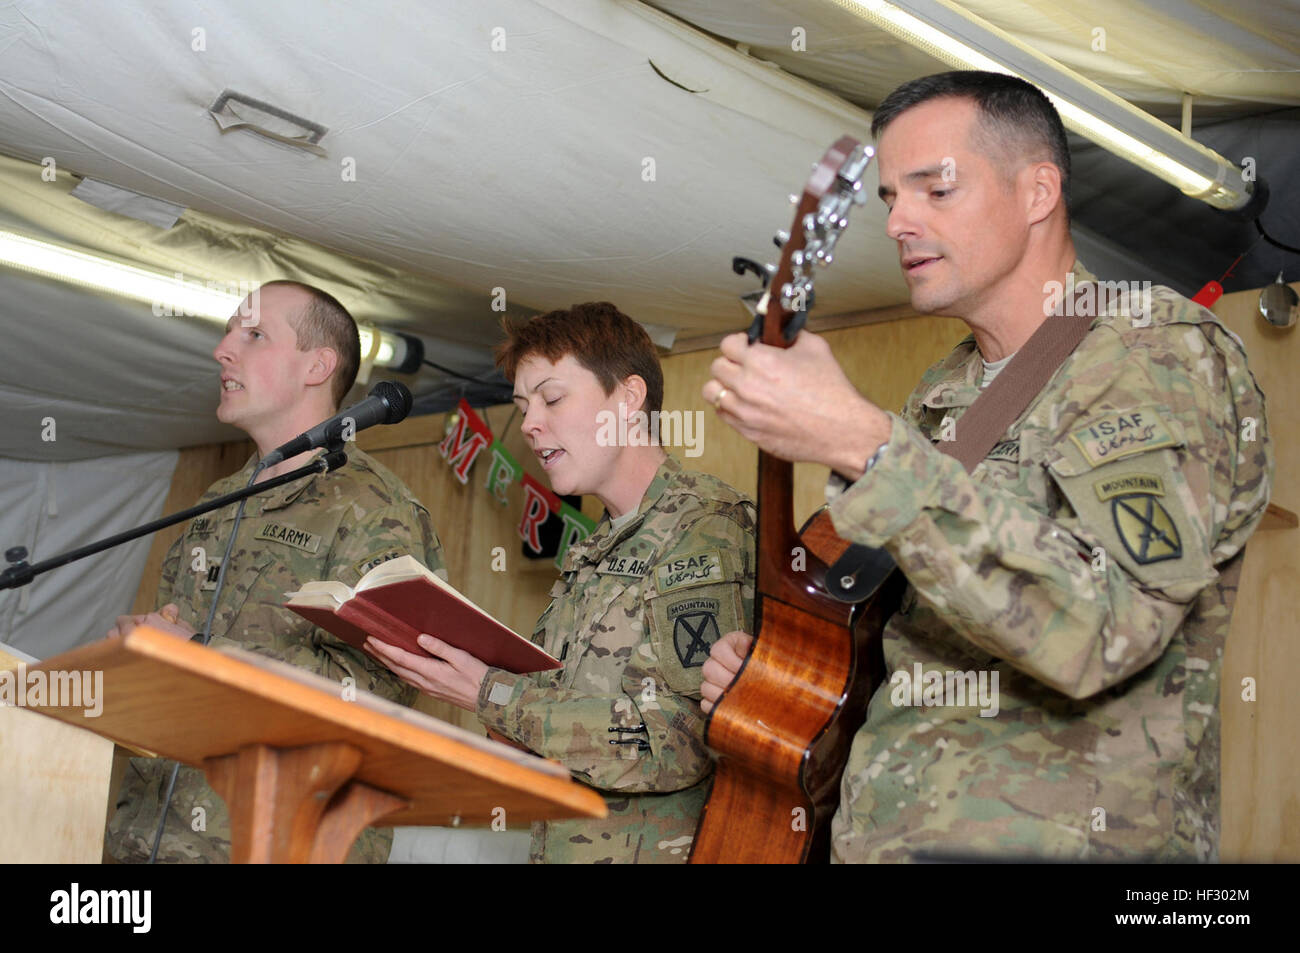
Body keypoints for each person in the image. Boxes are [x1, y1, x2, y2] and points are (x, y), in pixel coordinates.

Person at [700, 71, 1273, 863]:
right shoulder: (943, 391)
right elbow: (923, 621)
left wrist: (866, 445)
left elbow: (1104, 627)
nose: (900, 221)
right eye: (890, 198)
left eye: (935, 189)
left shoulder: (1155, 350)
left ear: (1038, 190)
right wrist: (786, 670)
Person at [367, 302, 756, 863]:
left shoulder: (705, 525)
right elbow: (558, 728)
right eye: (523, 407)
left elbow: (678, 742)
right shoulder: (592, 551)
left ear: (628, 400)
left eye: (552, 399)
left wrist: (488, 692)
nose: (528, 424)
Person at [104, 280, 445, 863]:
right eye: (229, 330)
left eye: (254, 334)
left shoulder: (374, 510)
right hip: (150, 843)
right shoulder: (214, 503)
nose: (223, 350)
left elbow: (374, 695)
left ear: (318, 366)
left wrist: (202, 652)